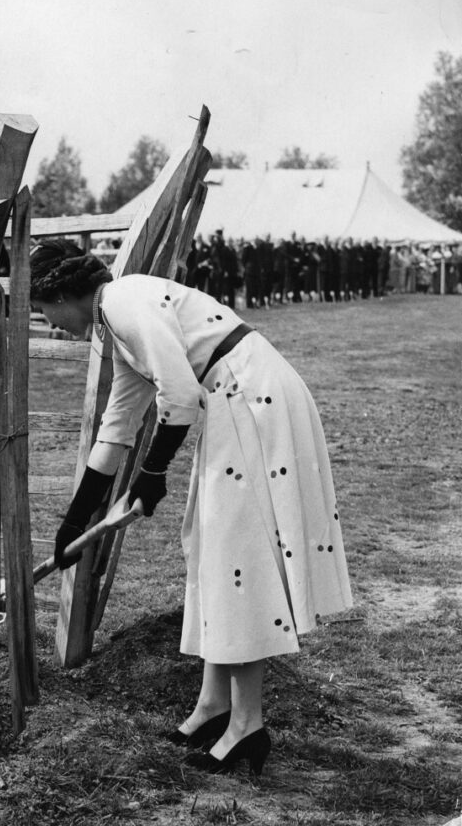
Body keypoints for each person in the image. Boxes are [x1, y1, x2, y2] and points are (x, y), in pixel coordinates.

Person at [30, 239, 352, 778]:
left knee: (237, 563)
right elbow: (118, 425)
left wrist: (152, 476)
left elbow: (177, 396)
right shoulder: (116, 325)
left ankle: (248, 725)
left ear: (63, 293)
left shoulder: (126, 302)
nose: (49, 322)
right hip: (233, 402)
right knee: (209, 553)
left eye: (45, 310)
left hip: (253, 400)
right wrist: (73, 522)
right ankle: (212, 706)